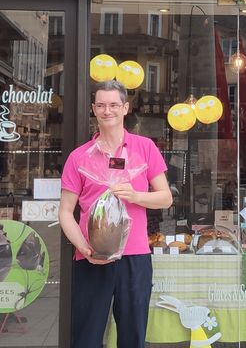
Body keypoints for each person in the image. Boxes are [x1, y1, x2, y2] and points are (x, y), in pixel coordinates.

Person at [60, 80, 173, 348]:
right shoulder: (79, 157)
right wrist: (84, 248)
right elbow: (65, 212)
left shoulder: (144, 148)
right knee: (86, 336)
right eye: (101, 105)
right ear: (93, 109)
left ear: (125, 108)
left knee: (133, 336)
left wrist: (135, 196)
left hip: (135, 257)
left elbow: (165, 198)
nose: (107, 110)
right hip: (91, 257)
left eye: (113, 105)